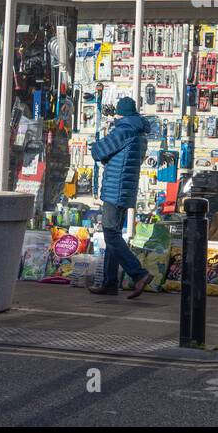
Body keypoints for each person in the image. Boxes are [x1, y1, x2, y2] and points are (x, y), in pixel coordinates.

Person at [89, 97, 153, 298]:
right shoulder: (140, 134)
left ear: (120, 113)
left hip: (115, 190)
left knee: (111, 234)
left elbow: (98, 152)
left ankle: (138, 274)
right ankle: (109, 283)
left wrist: (101, 147)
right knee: (113, 235)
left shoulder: (124, 130)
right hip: (126, 190)